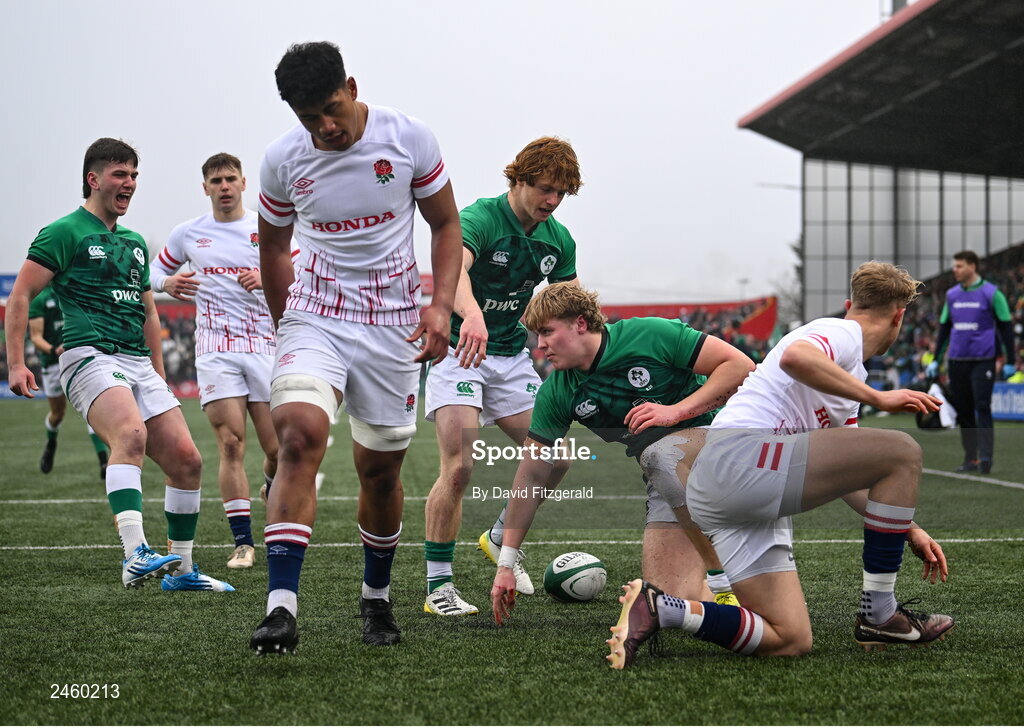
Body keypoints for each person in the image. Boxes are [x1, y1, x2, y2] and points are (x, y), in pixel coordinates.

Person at [607, 262, 952, 668]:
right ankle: (880, 614)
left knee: (789, 638)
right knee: (903, 449)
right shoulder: (843, 332)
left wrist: (908, 528)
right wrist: (881, 398)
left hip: (735, 488)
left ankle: (662, 609)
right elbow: (795, 358)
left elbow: (848, 479)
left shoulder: (848, 373)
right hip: (743, 459)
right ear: (899, 316)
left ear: (850, 303)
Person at [249, 42, 461, 654]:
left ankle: (375, 599)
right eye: (307, 117)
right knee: (297, 436)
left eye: (330, 109)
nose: (324, 127)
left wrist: (440, 305)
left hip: (394, 324)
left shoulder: (408, 138)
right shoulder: (283, 161)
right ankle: (280, 608)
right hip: (316, 315)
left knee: (380, 469)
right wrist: (286, 322)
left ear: (351, 84)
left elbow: (446, 224)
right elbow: (271, 246)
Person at [4, 137, 232, 592]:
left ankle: (182, 572)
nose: (129, 184)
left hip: (138, 364)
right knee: (130, 434)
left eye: (133, 176)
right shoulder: (63, 232)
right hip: (88, 355)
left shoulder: (131, 242)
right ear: (94, 179)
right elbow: (20, 297)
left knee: (188, 461)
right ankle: (134, 555)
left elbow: (149, 311)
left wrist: (161, 375)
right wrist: (16, 363)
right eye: (120, 175)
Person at [490, 283, 755, 624]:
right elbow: (531, 475)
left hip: (720, 443)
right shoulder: (557, 391)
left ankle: (724, 581)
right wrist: (506, 565)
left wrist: (675, 411)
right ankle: (747, 606)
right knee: (670, 601)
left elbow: (739, 366)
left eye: (546, 332)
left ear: (580, 324)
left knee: (661, 454)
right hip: (666, 478)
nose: (539, 345)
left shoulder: (649, 334)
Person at [421, 137, 583, 617]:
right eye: (545, 188)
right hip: (460, 351)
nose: (552, 201)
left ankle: (497, 536)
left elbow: (568, 305)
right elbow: (454, 274)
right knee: (461, 466)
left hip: (512, 358)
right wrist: (470, 316)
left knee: (556, 460)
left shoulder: (558, 239)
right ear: (518, 179)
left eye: (562, 193)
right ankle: (439, 589)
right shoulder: (479, 218)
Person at [150, 153, 282, 570]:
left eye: (230, 179)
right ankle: (243, 542)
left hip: (266, 348)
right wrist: (168, 282)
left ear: (244, 183)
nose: (223, 186)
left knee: (278, 449)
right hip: (215, 351)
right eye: (215, 180)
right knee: (230, 443)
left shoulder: (267, 227)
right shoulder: (189, 234)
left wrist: (269, 277)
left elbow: (303, 271)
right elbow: (149, 274)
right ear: (204, 188)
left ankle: (268, 484)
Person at [926, 250, 1016, 474]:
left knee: (982, 406)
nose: (954, 270)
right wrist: (936, 359)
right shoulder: (952, 295)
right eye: (954, 266)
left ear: (972, 267)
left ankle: (985, 458)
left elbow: (1006, 328)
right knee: (965, 410)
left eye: (959, 266)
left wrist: (1010, 360)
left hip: (983, 359)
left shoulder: (992, 293)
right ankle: (970, 459)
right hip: (957, 360)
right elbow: (945, 328)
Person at [28, 285, 110, 479]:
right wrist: (54, 350)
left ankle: (103, 461)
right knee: (57, 414)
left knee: (94, 410)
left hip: (80, 359)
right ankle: (51, 442)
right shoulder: (40, 300)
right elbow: (36, 337)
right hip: (52, 364)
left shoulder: (77, 289)